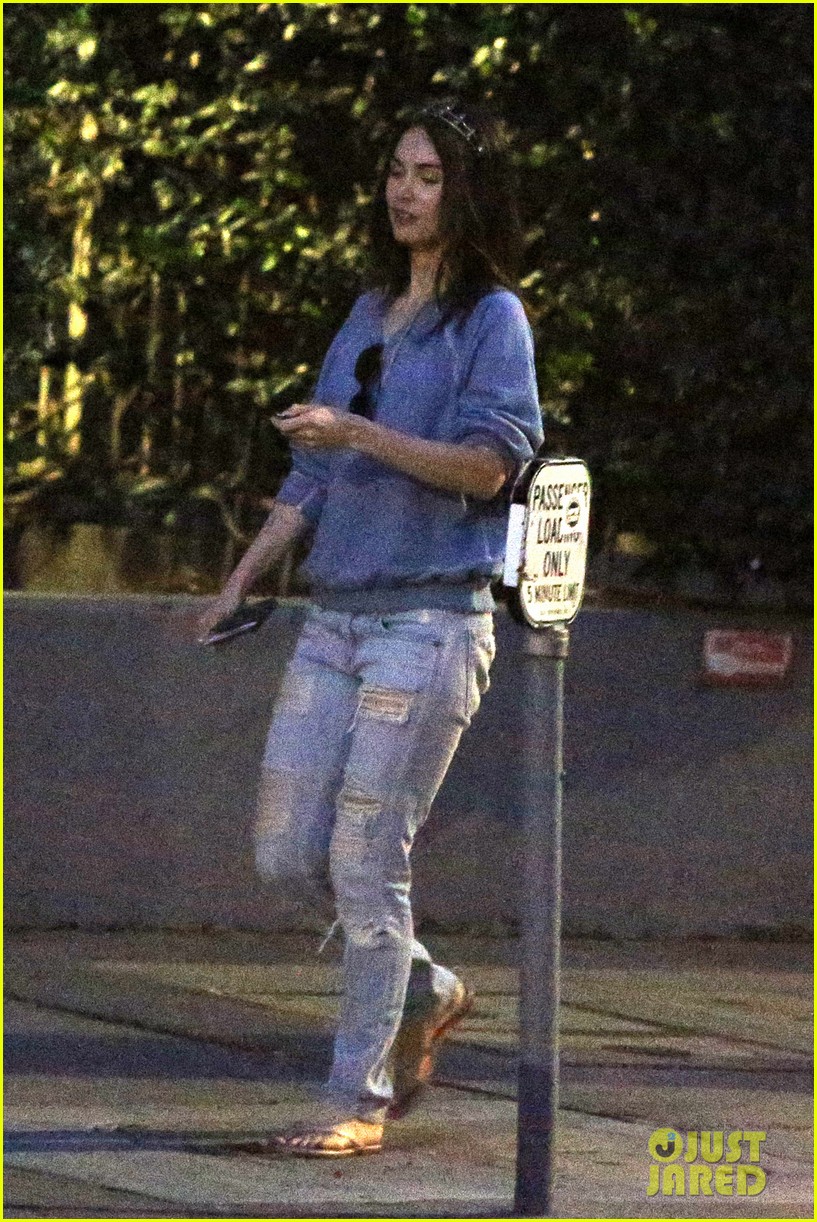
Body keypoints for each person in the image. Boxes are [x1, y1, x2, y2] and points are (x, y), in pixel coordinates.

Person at [197, 100, 543, 1157]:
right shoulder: (366, 310)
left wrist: (360, 431)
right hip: (334, 618)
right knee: (284, 852)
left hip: (429, 621)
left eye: (429, 176)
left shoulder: (492, 319)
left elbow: (490, 465)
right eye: (396, 171)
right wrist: (241, 577)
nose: (404, 191)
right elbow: (313, 469)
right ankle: (424, 986)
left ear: (468, 193)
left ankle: (358, 1096)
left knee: (364, 858)